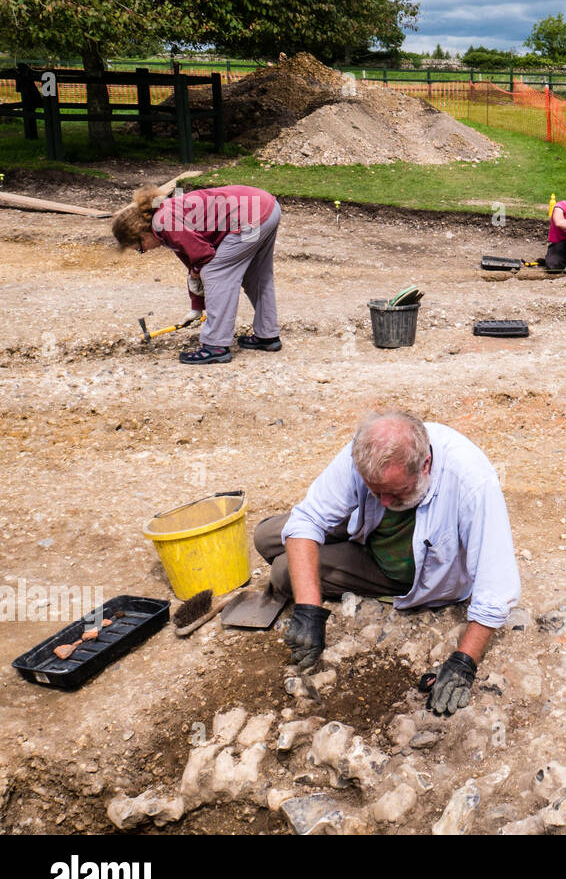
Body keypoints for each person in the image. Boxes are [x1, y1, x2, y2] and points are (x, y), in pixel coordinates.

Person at [253, 410, 521, 716]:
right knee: (266, 536)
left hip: (413, 568)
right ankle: (349, 539)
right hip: (365, 527)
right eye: (373, 490)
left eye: (395, 492)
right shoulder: (367, 450)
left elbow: (496, 587)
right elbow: (309, 517)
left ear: (425, 465)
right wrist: (309, 611)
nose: (383, 502)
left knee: (285, 572)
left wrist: (463, 663)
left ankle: (363, 567)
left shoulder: (471, 481)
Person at [111, 183, 282, 364]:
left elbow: (204, 256)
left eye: (140, 248)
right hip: (266, 208)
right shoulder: (164, 219)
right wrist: (196, 307)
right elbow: (193, 265)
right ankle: (267, 335)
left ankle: (216, 346)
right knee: (255, 275)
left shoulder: (164, 223)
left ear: (141, 233)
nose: (145, 251)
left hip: (251, 217)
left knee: (216, 272)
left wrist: (199, 273)